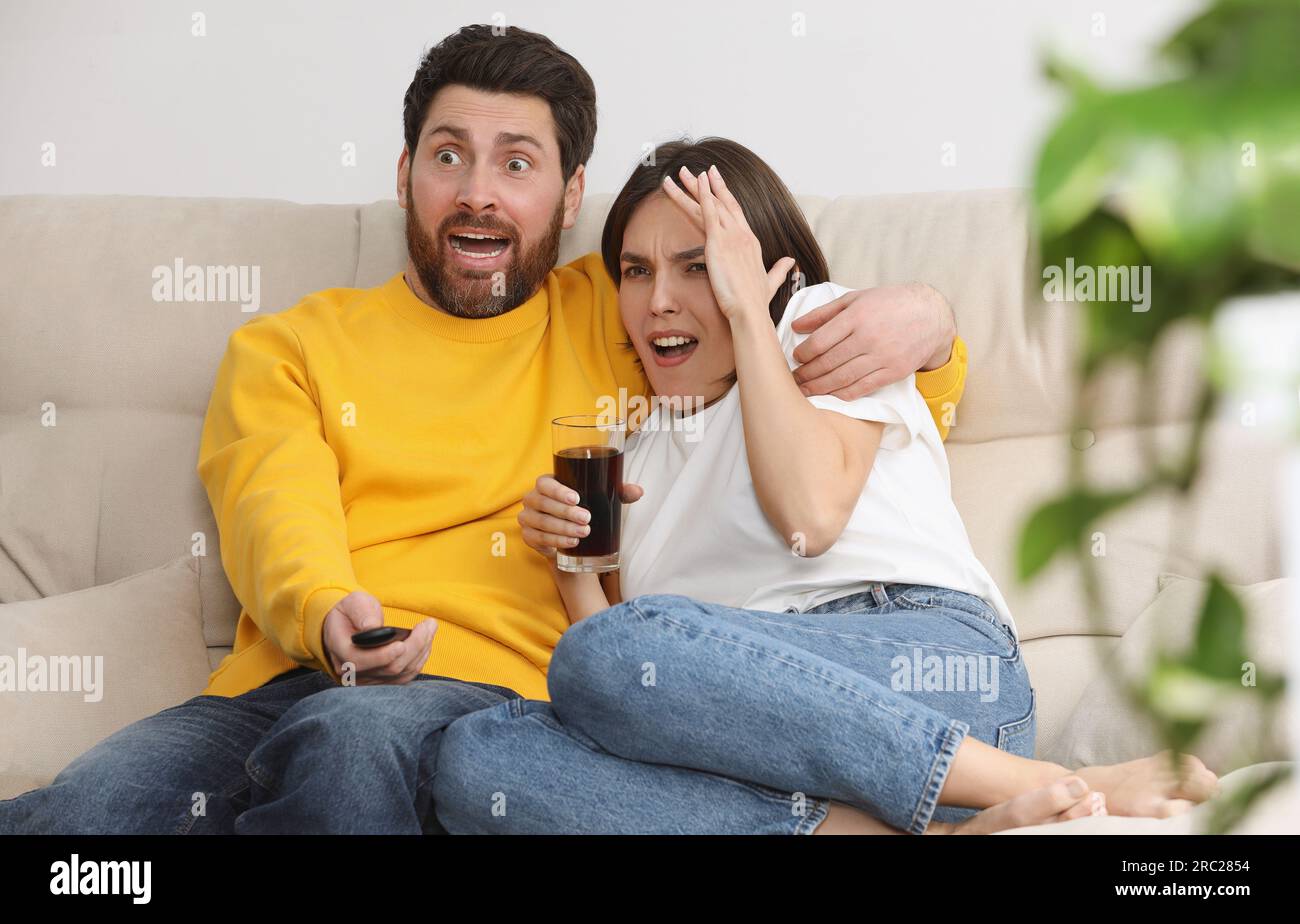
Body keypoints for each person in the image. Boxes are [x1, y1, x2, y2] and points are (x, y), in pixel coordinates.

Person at [0, 25, 971, 834]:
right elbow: (272, 503)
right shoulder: (289, 347)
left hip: (499, 704)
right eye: (448, 156)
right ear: (405, 174)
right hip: (294, 675)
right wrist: (329, 611)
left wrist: (931, 324)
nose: (478, 191)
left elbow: (819, 378)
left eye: (517, 163)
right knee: (84, 815)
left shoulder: (627, 310)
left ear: (570, 195)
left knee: (350, 750)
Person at [427, 138, 1221, 834]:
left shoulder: (821, 328)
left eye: (698, 266)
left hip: (934, 677)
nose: (659, 300)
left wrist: (751, 315)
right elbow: (627, 694)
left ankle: (1037, 782)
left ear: (757, 269)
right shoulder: (629, 453)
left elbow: (810, 516)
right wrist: (572, 562)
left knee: (615, 648)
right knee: (478, 757)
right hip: (787, 759)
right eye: (636, 272)